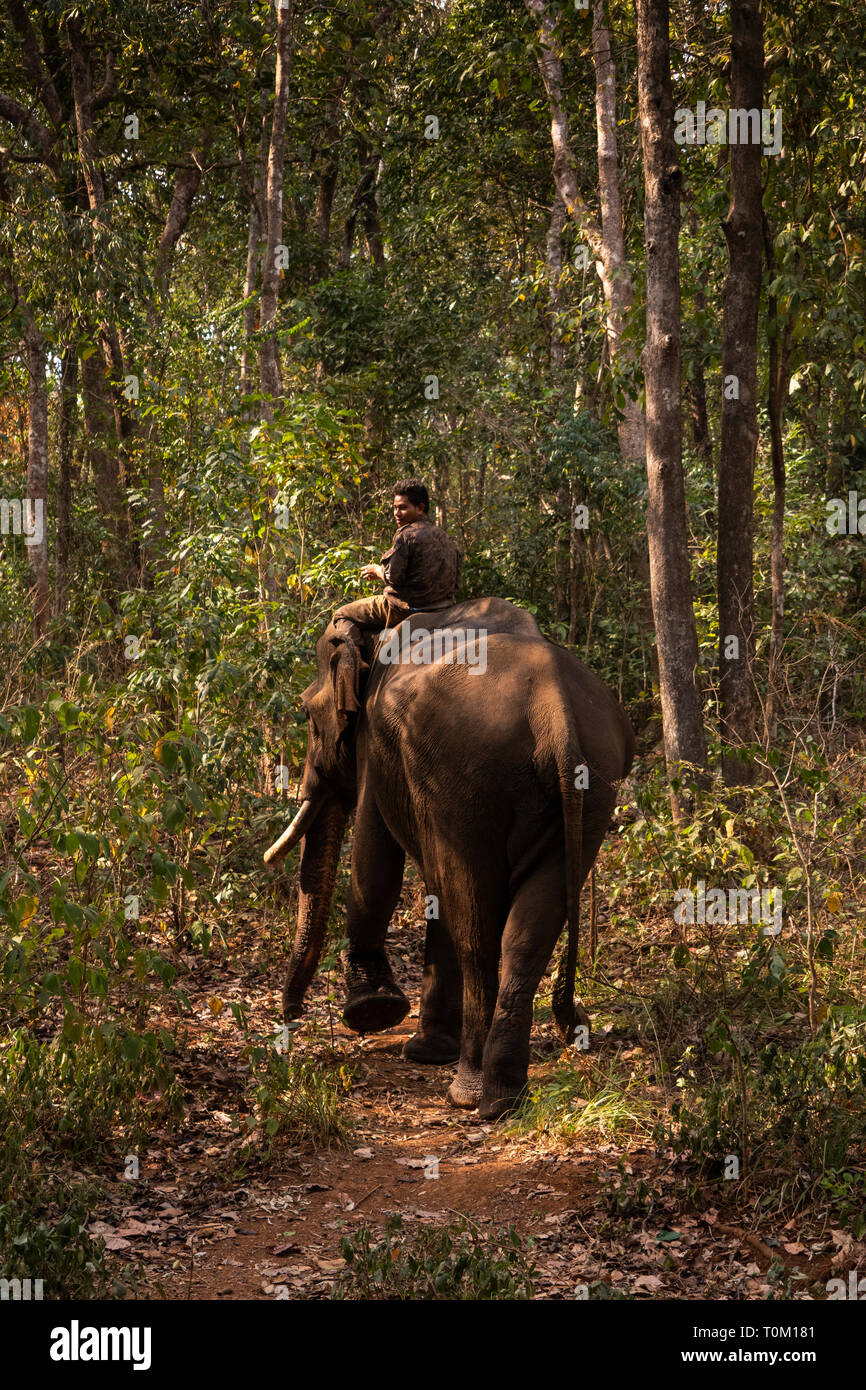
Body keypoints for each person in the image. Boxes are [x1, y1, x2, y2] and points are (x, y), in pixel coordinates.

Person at [332, 479, 461, 644]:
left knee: (342, 614)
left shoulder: (405, 535)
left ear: (420, 508)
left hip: (404, 609)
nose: (397, 513)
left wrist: (378, 570)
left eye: (403, 508)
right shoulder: (445, 537)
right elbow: (456, 582)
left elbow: (394, 578)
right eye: (395, 508)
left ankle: (355, 661)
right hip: (443, 609)